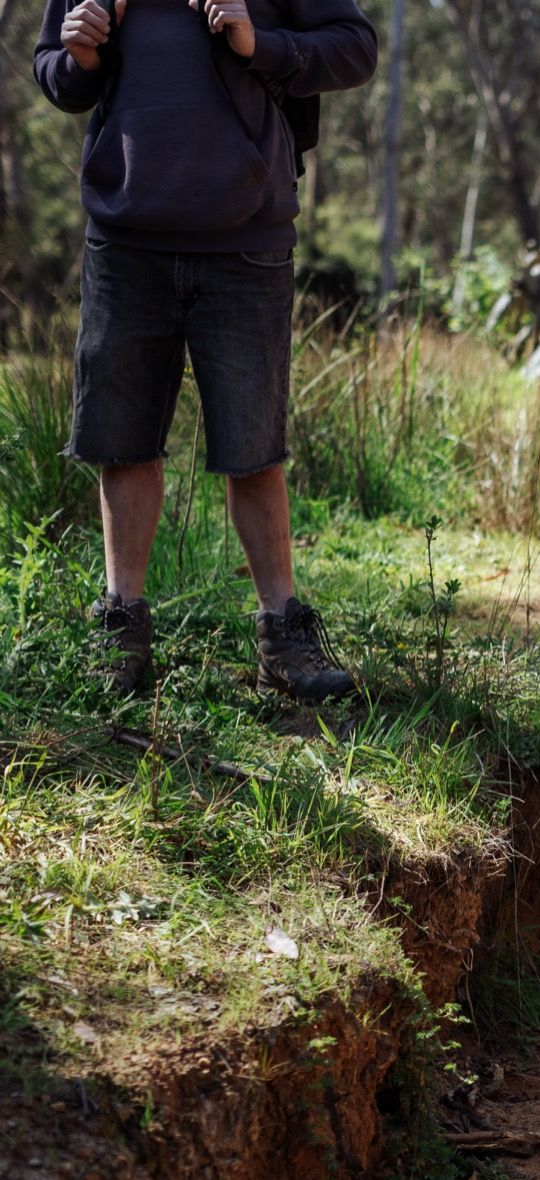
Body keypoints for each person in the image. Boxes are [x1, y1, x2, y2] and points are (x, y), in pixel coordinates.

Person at [34, 0, 376, 701]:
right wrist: (80, 55)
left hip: (246, 238)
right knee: (123, 440)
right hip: (127, 237)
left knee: (253, 445)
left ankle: (283, 634)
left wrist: (261, 42)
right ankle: (120, 632)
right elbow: (58, 75)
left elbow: (355, 48)